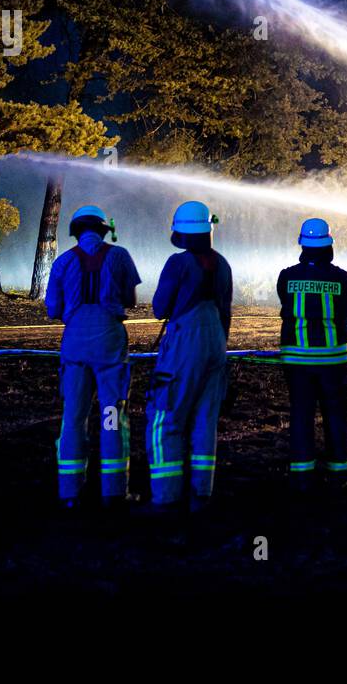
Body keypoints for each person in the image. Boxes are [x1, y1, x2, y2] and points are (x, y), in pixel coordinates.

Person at [44, 205, 141, 510]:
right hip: (110, 340)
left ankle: (69, 493)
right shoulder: (120, 255)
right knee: (112, 414)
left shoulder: (62, 262)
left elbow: (52, 310)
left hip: (74, 342)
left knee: (73, 415)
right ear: (103, 231)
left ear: (75, 231)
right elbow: (131, 300)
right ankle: (114, 492)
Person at [145, 201, 233, 513]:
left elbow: (160, 308)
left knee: (164, 417)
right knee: (205, 420)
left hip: (185, 340)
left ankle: (166, 497)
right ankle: (201, 495)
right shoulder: (222, 264)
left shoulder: (178, 263)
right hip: (216, 343)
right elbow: (226, 312)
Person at [276, 218, 347, 493]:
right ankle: (339, 474)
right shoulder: (342, 278)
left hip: (296, 361)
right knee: (336, 414)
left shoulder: (286, 277)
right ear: (329, 246)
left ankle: (301, 475)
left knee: (301, 414)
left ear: (302, 246)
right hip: (333, 360)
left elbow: (286, 304)